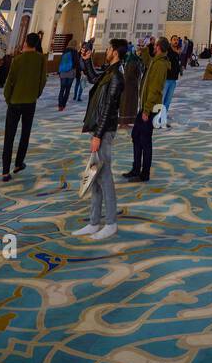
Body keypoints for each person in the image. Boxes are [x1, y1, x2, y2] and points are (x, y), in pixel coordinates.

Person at [74, 37, 127, 240]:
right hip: (99, 129)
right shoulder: (110, 71)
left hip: (103, 131)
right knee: (95, 177)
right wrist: (86, 60)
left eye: (109, 48)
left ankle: (111, 223)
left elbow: (109, 109)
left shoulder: (117, 77)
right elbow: (94, 79)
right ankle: (94, 222)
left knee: (104, 177)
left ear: (115, 51)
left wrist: (98, 135)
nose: (106, 50)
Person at [1, 33, 48, 182]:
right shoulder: (41, 59)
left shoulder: (18, 59)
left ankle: (5, 171)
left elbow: (9, 82)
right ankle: (18, 163)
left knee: (9, 136)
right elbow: (43, 80)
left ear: (26, 42)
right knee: (25, 134)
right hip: (30, 102)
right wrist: (35, 94)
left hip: (15, 101)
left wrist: (9, 99)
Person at [125, 37, 172, 182]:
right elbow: (147, 61)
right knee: (136, 137)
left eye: (154, 45)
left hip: (149, 108)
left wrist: (146, 110)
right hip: (145, 106)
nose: (153, 46)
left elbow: (155, 89)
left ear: (158, 47)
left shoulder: (161, 65)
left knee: (145, 140)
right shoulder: (156, 61)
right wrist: (144, 48)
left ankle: (144, 173)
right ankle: (136, 168)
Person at [57, 38, 77, 111]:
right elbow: (76, 63)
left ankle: (59, 105)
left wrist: (59, 71)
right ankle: (63, 105)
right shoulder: (75, 51)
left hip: (63, 72)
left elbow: (61, 61)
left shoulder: (65, 50)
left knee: (62, 89)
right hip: (71, 73)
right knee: (67, 90)